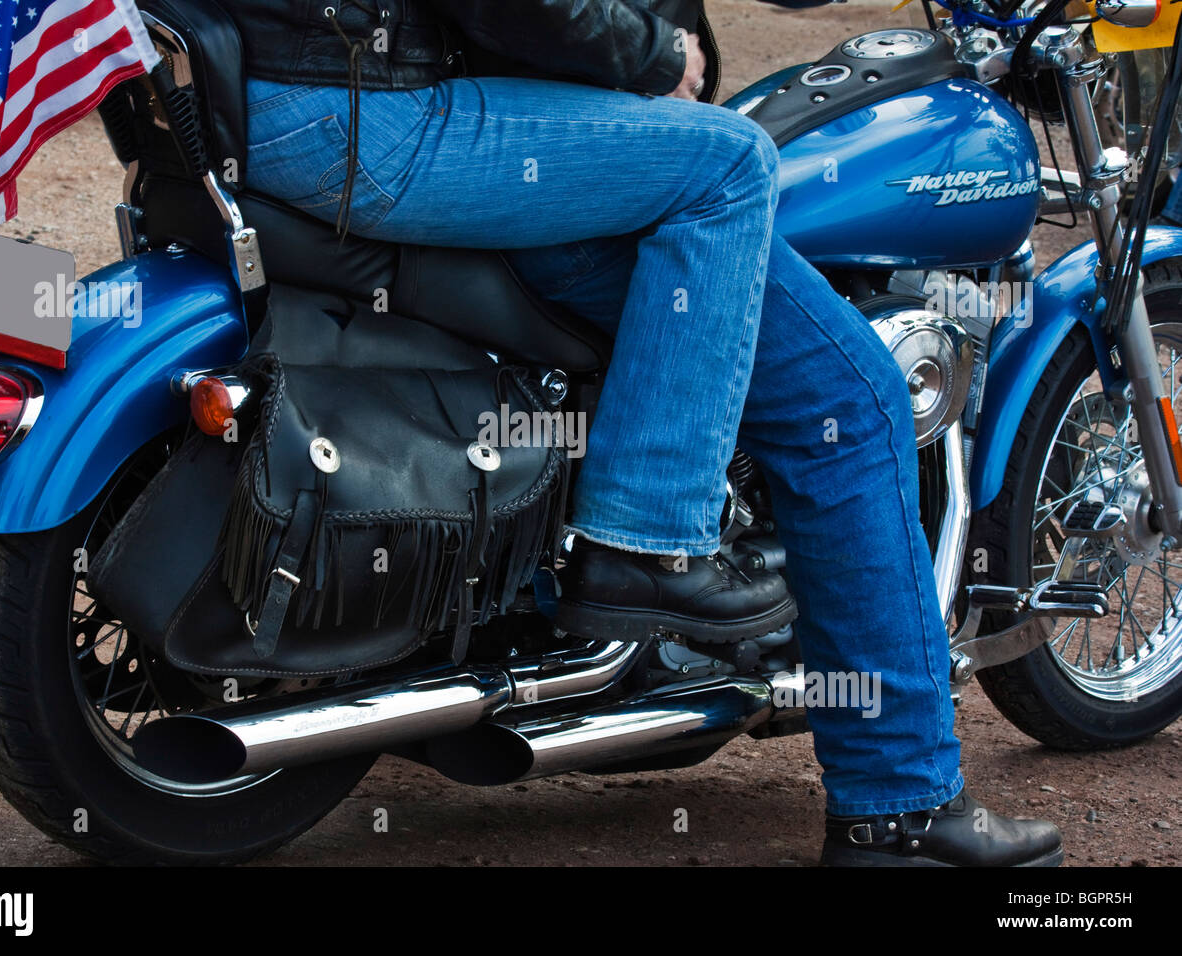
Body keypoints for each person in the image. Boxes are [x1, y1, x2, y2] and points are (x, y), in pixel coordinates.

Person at [216, 0, 1064, 867]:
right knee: (849, 390)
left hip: (286, 96)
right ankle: (891, 795)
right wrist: (657, 54)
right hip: (386, 113)